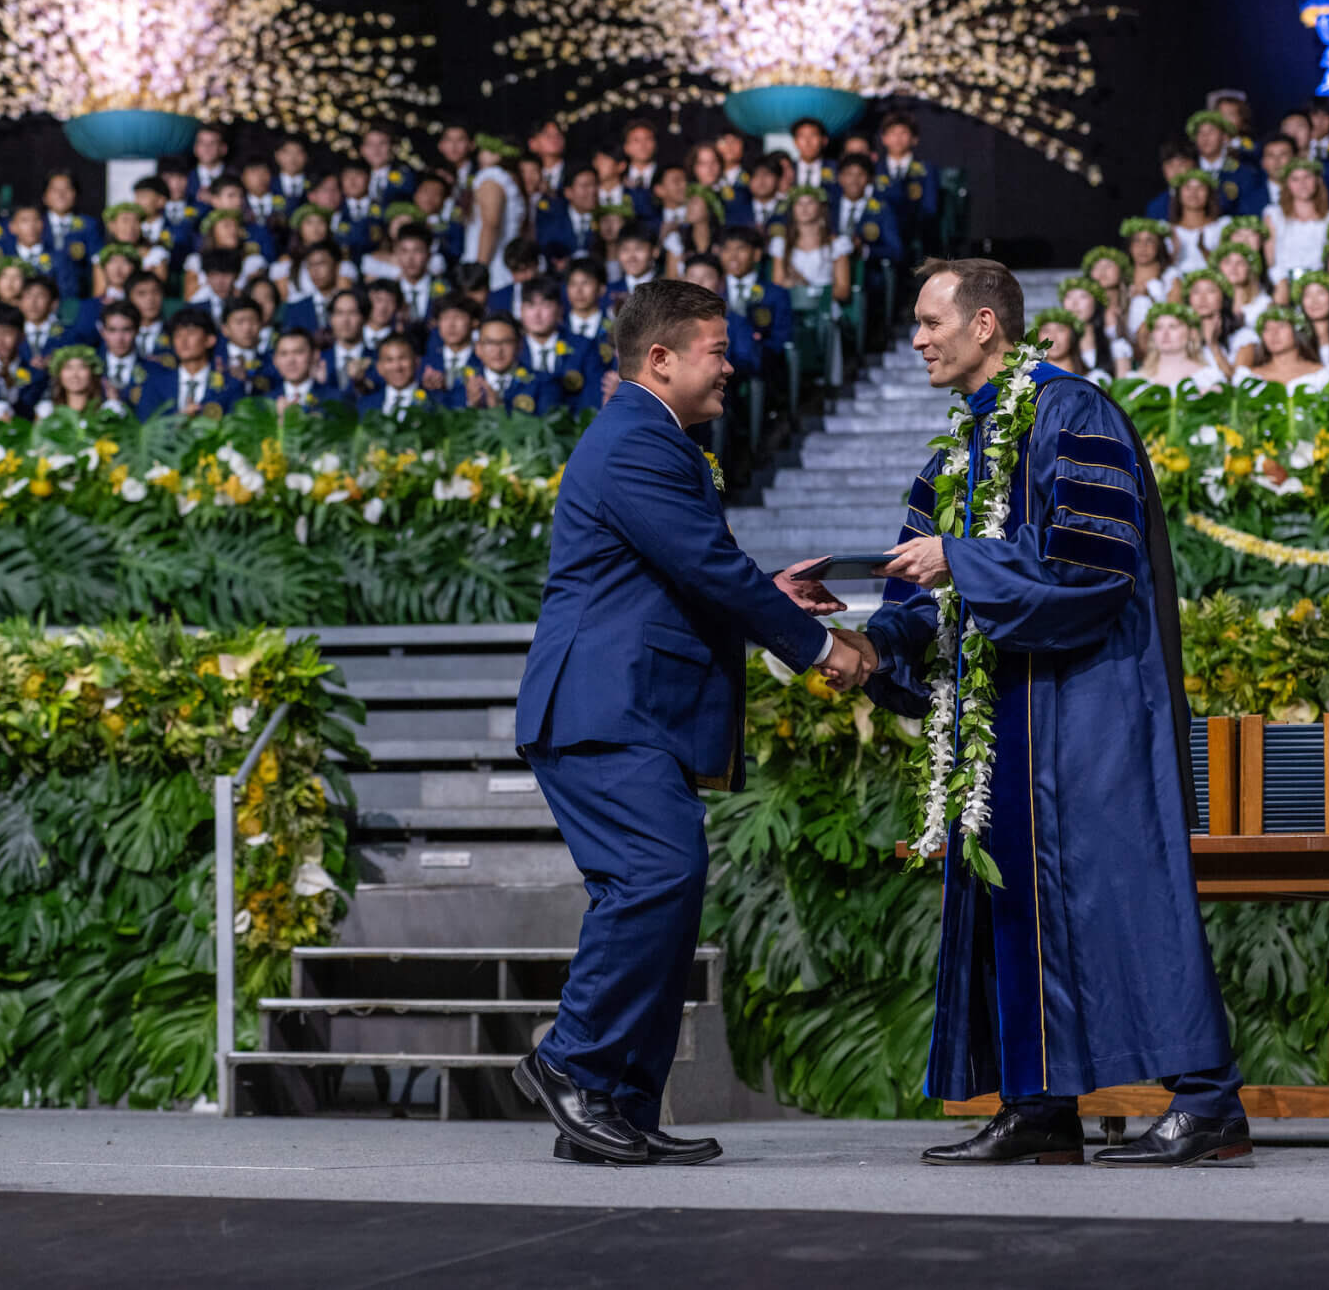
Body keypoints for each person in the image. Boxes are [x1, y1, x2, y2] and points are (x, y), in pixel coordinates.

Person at [833, 257, 1248, 1167]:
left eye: (930, 321)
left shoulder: (1074, 413)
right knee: (1008, 905)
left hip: (1088, 705)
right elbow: (923, 585)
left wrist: (964, 563)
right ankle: (1039, 1106)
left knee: (1127, 897)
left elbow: (1095, 571)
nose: (916, 339)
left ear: (986, 326)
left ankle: (1210, 1104)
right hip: (1003, 718)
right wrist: (867, 648)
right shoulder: (957, 448)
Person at [510, 278, 861, 1166]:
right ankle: (572, 1062)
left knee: (659, 882)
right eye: (716, 348)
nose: (732, 365)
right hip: (603, 703)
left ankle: (617, 1106)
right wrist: (818, 648)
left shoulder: (650, 436)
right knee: (657, 874)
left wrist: (768, 593)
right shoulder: (635, 438)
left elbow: (682, 570)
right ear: (658, 359)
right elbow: (706, 565)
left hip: (623, 703)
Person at [465, 135, 526, 290]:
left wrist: (480, 268)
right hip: (510, 262)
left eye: (484, 150)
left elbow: (491, 224)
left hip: (492, 265)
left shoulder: (491, 178)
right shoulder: (513, 179)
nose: (480, 155)